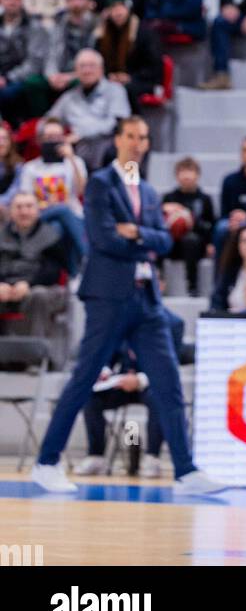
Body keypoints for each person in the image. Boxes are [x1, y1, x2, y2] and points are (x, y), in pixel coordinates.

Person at [30, 115, 221, 494]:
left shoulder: (150, 192)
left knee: (168, 383)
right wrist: (144, 239)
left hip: (146, 300)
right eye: (131, 136)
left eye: (143, 137)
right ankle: (47, 462)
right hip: (108, 297)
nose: (137, 142)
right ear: (118, 140)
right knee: (85, 378)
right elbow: (102, 240)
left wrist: (137, 233)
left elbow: (165, 242)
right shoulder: (101, 184)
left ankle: (185, 471)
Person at [73, 310, 186, 479]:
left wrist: (140, 379)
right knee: (90, 396)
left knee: (160, 398)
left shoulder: (174, 322)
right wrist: (105, 372)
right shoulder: (120, 317)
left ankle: (152, 457)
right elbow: (107, 356)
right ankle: (96, 455)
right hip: (122, 380)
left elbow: (171, 365)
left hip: (153, 382)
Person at [9, 116, 88, 275]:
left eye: (58, 137)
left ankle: (72, 275)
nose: (53, 141)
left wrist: (71, 158)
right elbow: (26, 199)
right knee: (62, 210)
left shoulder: (75, 162)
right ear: (40, 140)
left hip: (72, 216)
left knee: (59, 227)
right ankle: (87, 258)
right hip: (41, 215)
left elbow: (82, 191)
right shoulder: (31, 167)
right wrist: (47, 205)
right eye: (49, 137)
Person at [0, 190, 67, 349]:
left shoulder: (51, 236)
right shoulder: (1, 235)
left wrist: (27, 284)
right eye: (19, 207)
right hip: (6, 286)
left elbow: (54, 271)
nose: (24, 211)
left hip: (41, 287)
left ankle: (35, 356)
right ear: (11, 211)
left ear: (37, 210)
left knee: (38, 295)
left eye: (29, 206)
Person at [46, 48, 131, 171]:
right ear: (76, 71)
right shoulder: (69, 97)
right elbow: (48, 120)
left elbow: (116, 123)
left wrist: (81, 134)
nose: (87, 70)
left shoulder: (115, 91)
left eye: (92, 66)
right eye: (82, 66)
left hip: (105, 149)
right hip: (75, 154)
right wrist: (52, 131)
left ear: (101, 69)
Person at [94, 0, 163, 111]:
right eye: (113, 7)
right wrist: (108, 76)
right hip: (109, 79)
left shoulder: (144, 33)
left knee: (123, 90)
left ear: (129, 8)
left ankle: (132, 123)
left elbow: (155, 66)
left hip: (141, 80)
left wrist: (130, 77)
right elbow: (96, 60)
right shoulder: (102, 34)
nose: (118, 12)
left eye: (121, 6)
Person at [159, 157, 215, 295]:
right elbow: (159, 222)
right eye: (182, 172)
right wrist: (163, 210)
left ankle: (192, 285)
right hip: (173, 243)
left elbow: (211, 224)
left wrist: (189, 218)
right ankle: (159, 280)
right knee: (159, 238)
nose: (186, 176)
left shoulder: (204, 199)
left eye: (190, 171)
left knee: (191, 239)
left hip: (195, 244)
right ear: (176, 175)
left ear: (197, 175)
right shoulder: (169, 198)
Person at [0, 0, 50, 126]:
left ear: (22, 1)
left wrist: (8, 78)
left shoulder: (34, 26)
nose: (12, 1)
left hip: (22, 78)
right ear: (1, 0)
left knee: (8, 94)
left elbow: (34, 62)